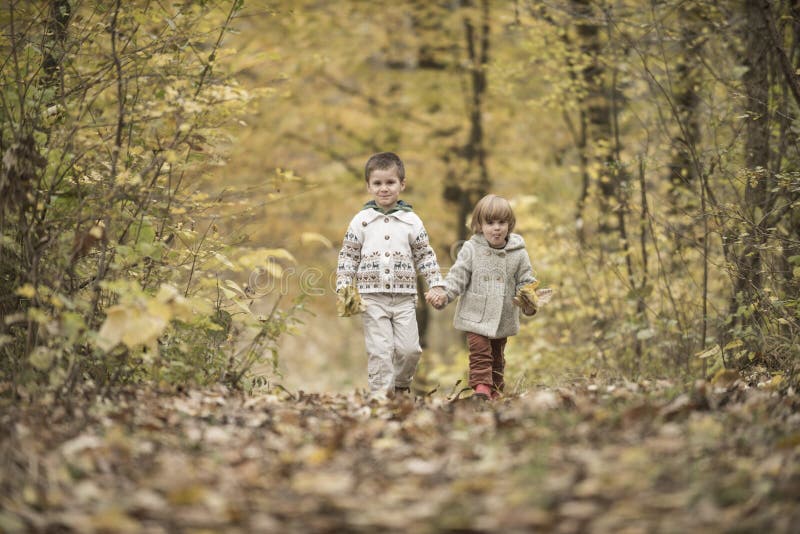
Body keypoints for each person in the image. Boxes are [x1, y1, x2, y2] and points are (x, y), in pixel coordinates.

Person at [337, 152, 447, 398]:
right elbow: (348, 255)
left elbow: (425, 256)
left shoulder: (412, 221)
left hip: (404, 299)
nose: (384, 188)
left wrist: (436, 284)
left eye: (390, 182)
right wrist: (344, 285)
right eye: (377, 183)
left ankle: (400, 384)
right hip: (371, 298)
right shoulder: (361, 221)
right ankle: (381, 399)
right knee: (380, 350)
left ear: (402, 184)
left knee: (410, 350)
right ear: (368, 186)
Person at [426, 194, 538, 400]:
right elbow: (458, 276)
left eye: (502, 222)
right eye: (490, 223)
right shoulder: (471, 248)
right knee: (480, 353)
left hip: (502, 315)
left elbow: (525, 281)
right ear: (479, 225)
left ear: (509, 224)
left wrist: (528, 302)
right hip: (475, 314)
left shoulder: (518, 253)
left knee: (497, 357)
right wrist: (444, 294)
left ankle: (495, 391)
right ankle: (481, 390)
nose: (496, 228)